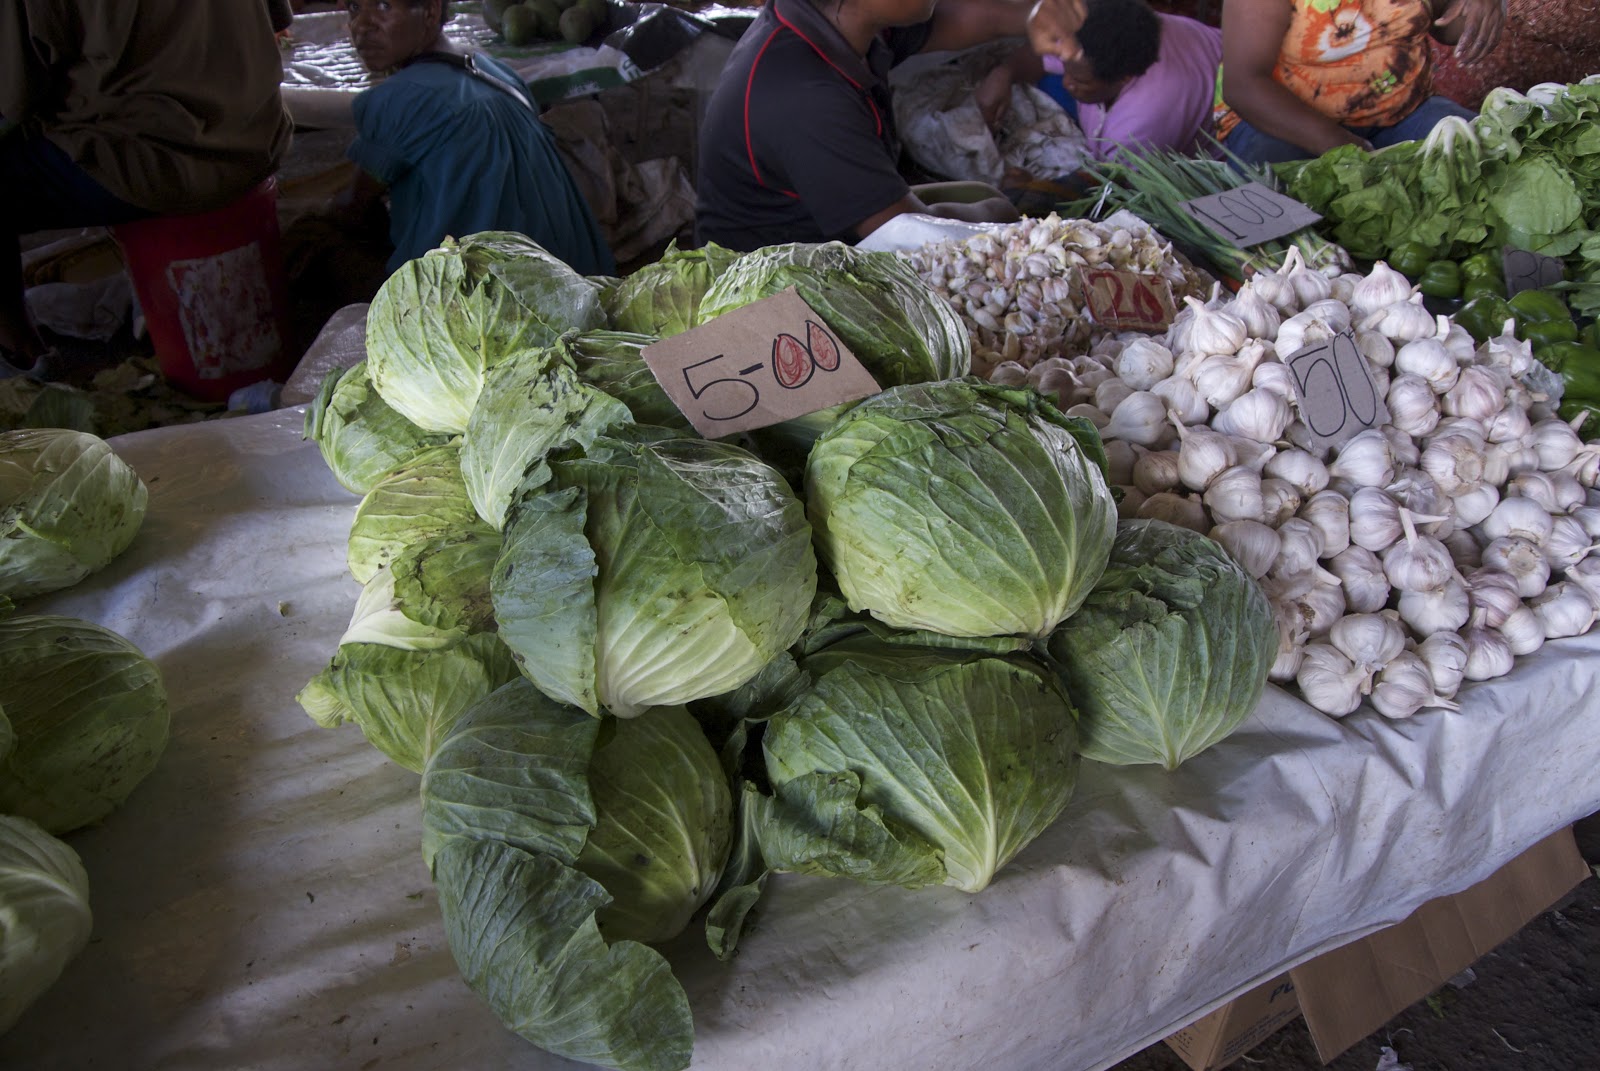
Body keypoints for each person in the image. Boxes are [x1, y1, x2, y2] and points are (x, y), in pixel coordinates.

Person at [0, 0, 294, 378]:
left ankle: (20, 351)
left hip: (156, 164)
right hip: (258, 134)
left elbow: (15, 97)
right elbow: (278, 22)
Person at [694, 0, 1088, 253]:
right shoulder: (807, 96)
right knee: (996, 207)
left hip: (824, 220)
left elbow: (968, 19)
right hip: (777, 289)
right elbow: (906, 234)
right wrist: (1001, 215)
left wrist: (1035, 16)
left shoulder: (837, 21)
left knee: (982, 194)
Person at [339, 0, 615, 276]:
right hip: (579, 276)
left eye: (384, 7)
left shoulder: (397, 98)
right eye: (354, 8)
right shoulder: (497, 72)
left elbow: (354, 206)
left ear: (431, 12)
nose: (362, 25)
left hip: (490, 294)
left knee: (318, 241)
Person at [1216, 0, 1505, 165]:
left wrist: (1478, 5)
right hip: (1284, 122)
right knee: (1271, 209)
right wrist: (1350, 149)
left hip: (1402, 110)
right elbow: (1243, 85)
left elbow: (1451, 31)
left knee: (1493, 154)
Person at [976, 0, 1223, 163]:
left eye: (1080, 82)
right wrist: (1004, 73)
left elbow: (1109, 189)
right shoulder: (1120, 30)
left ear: (1124, 78)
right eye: (1067, 69)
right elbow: (1039, 58)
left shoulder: (1136, 130)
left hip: (1210, 131)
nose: (1067, 83)